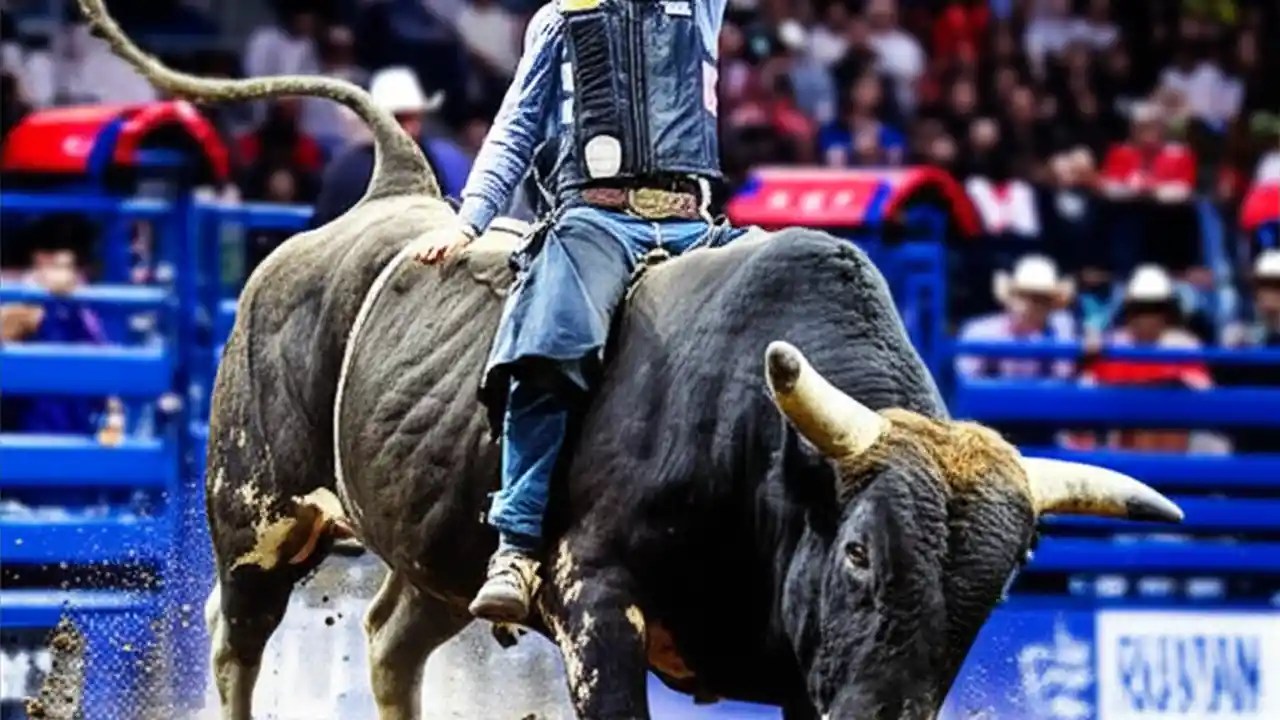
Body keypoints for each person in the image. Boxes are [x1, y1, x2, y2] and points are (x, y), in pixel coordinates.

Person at [414, 0, 745, 623]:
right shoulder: (561, 18)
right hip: (595, 220)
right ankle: (515, 548)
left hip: (690, 224)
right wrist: (471, 220)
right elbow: (517, 126)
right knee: (552, 338)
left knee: (778, 292)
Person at [310, 67, 470, 227]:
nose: (412, 128)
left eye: (415, 118)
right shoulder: (351, 170)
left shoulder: (425, 159)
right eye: (401, 119)